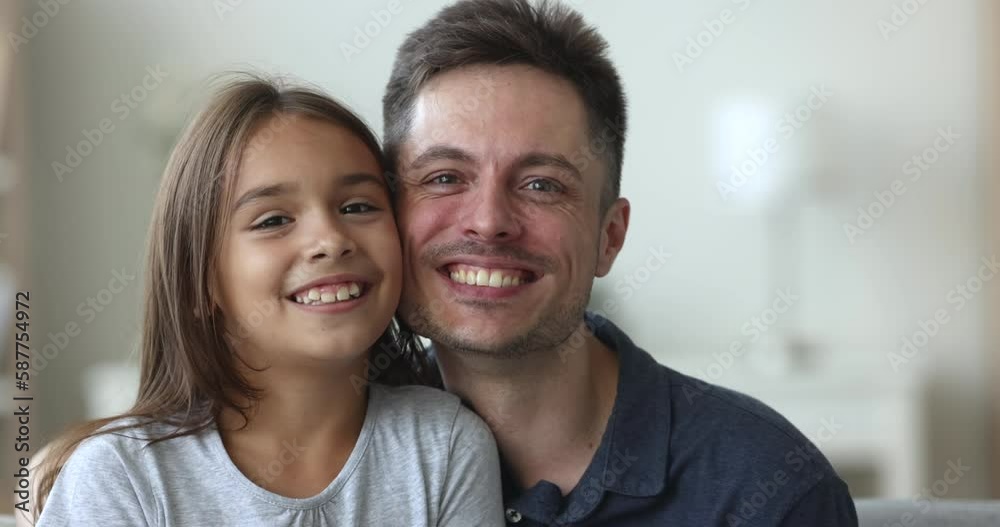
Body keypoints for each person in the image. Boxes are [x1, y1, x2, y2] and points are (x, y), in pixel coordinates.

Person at [383, 1, 859, 525]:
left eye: (542, 184)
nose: (489, 220)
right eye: (445, 177)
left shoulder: (772, 491)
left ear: (609, 237)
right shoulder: (335, 460)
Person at [35, 76, 504, 526]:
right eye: (273, 219)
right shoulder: (122, 478)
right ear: (201, 280)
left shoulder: (445, 446)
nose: (330, 239)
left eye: (357, 206)